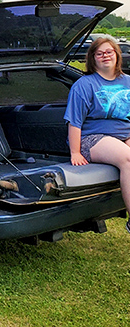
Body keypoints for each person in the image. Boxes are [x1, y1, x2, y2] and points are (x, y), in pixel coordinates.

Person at [64, 36, 130, 234]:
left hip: (124, 134)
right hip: (93, 139)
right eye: (99, 53)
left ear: (117, 55)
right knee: (128, 159)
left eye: (109, 52)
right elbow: (74, 121)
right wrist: (75, 152)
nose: (105, 56)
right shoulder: (84, 85)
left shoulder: (128, 82)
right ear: (93, 58)